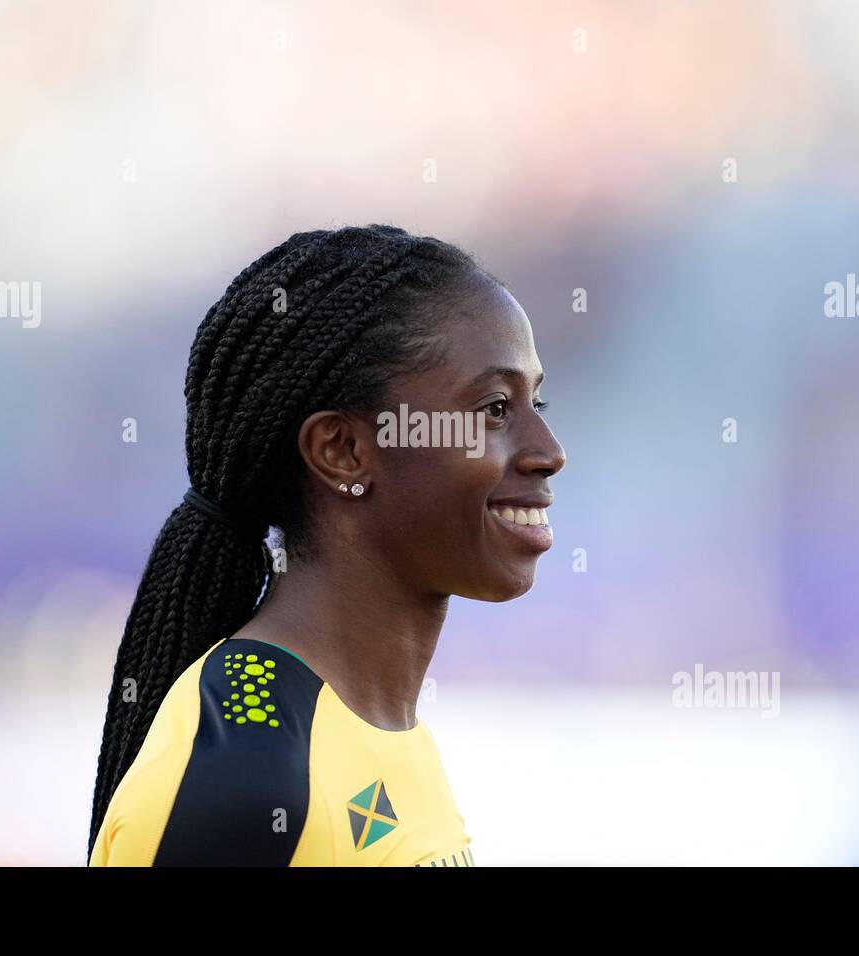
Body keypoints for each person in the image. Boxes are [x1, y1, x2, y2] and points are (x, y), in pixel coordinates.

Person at [87, 224, 565, 865]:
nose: (549, 452)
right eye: (495, 408)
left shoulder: (379, 728)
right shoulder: (247, 770)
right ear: (342, 452)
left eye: (538, 401)